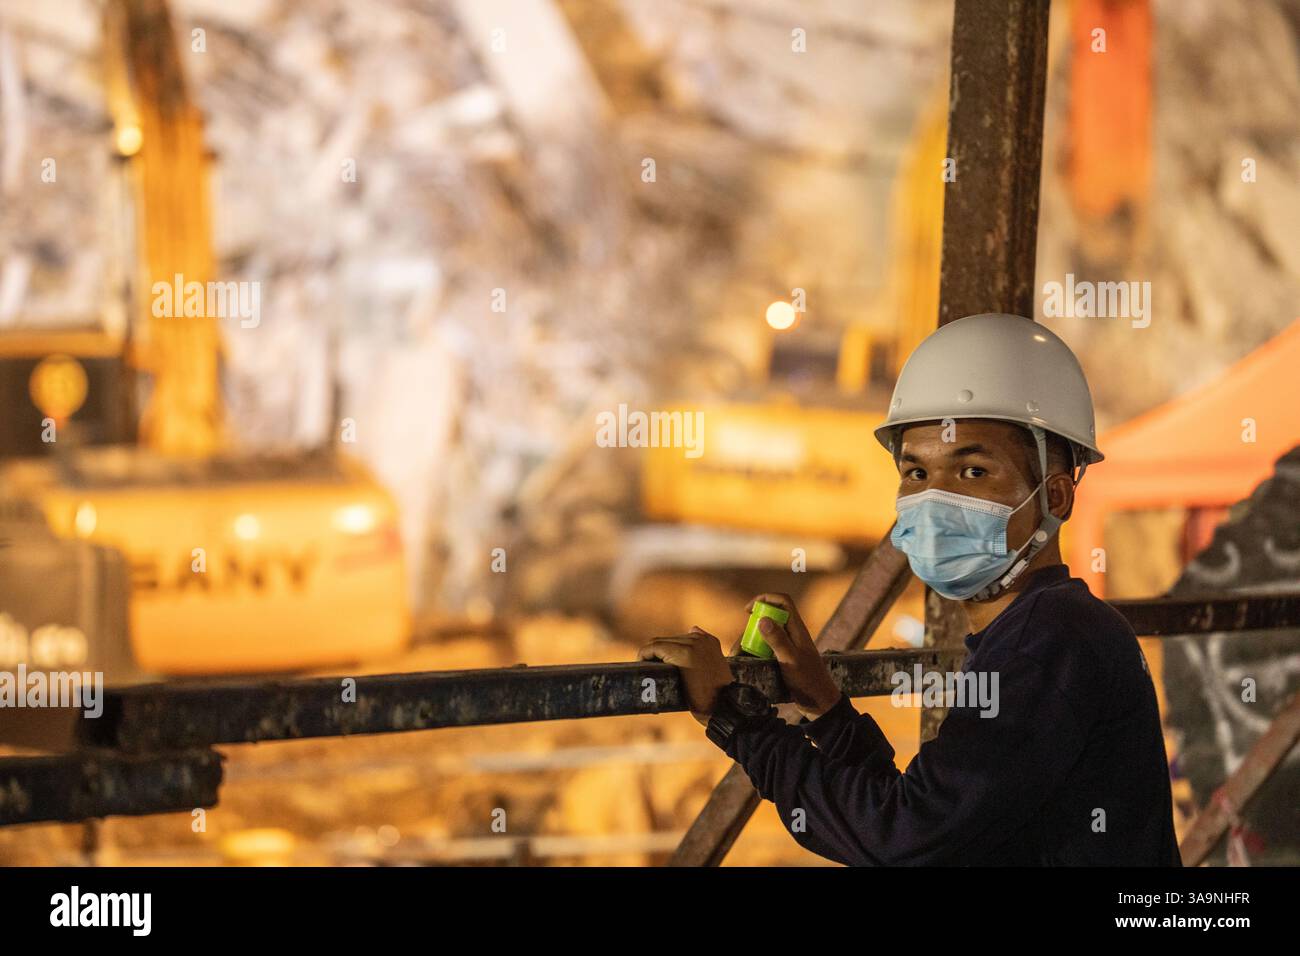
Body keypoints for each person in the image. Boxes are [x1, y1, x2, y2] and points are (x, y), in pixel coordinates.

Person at [638, 313, 1182, 866]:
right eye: (916, 474)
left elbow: (904, 839)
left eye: (972, 472)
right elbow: (928, 814)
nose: (933, 498)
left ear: (1057, 497)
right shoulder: (1048, 628)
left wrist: (733, 717)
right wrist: (825, 706)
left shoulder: (1047, 645)